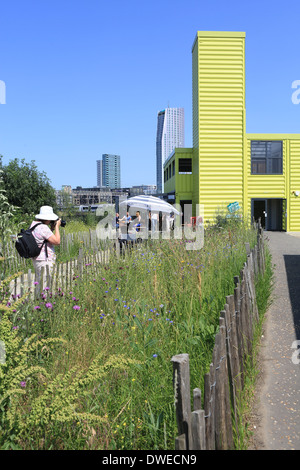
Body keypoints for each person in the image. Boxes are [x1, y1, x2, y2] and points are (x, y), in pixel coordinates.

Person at [30, 206, 62, 287]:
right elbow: (57, 241)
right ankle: (43, 299)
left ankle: (38, 299)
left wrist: (51, 229)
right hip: (44, 261)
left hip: (37, 259)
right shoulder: (43, 227)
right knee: (45, 285)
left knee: (40, 283)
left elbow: (44, 239)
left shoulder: (34, 225)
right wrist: (57, 227)